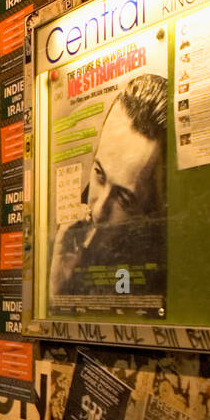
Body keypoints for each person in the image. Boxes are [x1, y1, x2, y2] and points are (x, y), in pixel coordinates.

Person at [49, 73, 168, 302]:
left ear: (155, 208)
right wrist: (59, 291)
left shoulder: (159, 273)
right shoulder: (64, 245)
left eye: (123, 199)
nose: (99, 210)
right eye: (99, 175)